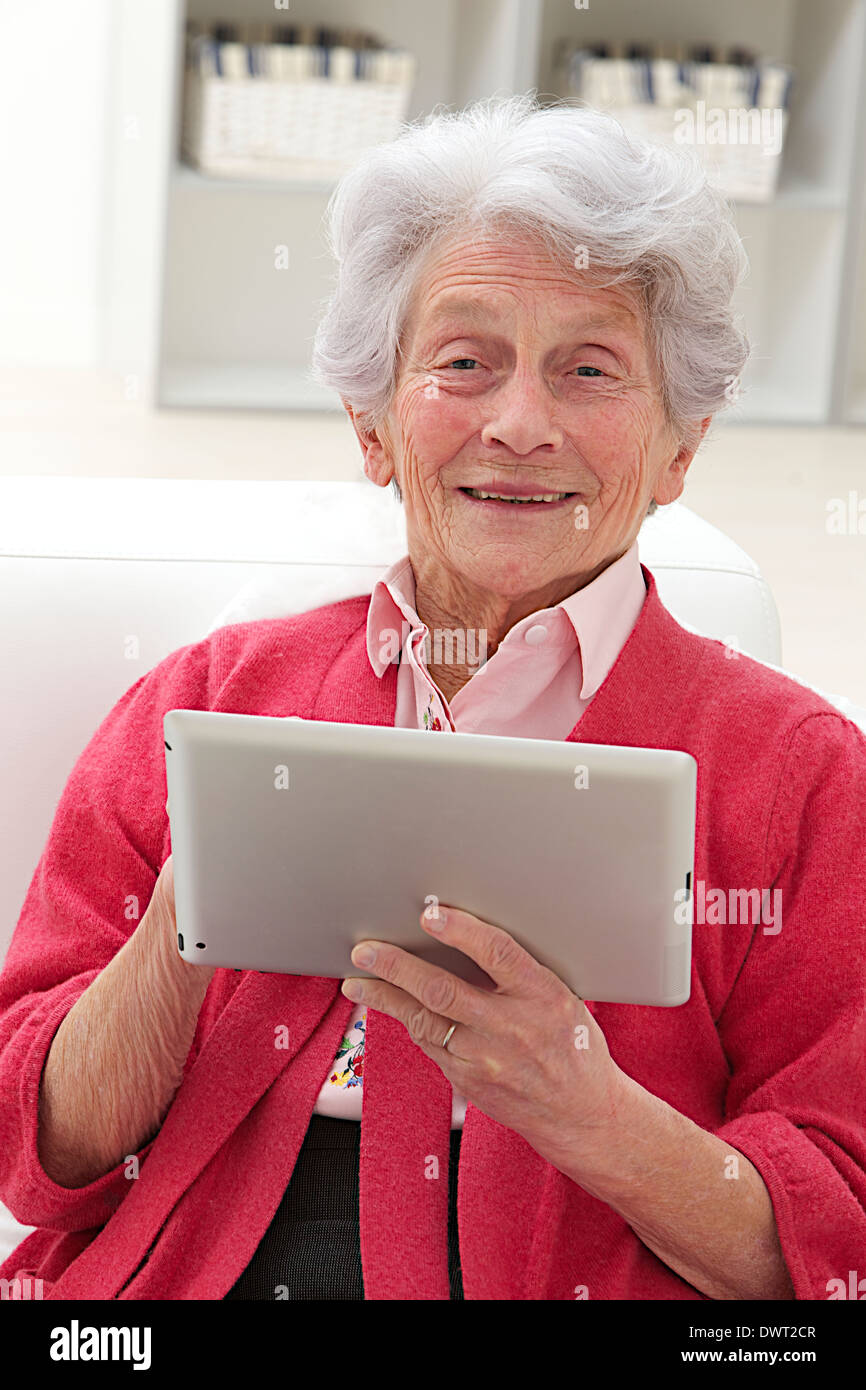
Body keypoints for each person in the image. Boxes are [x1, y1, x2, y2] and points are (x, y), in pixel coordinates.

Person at [1, 95, 864, 1301]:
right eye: (463, 362)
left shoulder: (804, 773)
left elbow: (837, 1253)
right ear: (371, 424)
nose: (518, 423)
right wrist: (190, 916)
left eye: (589, 368)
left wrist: (587, 1108)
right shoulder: (206, 698)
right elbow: (38, 1161)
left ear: (678, 446)